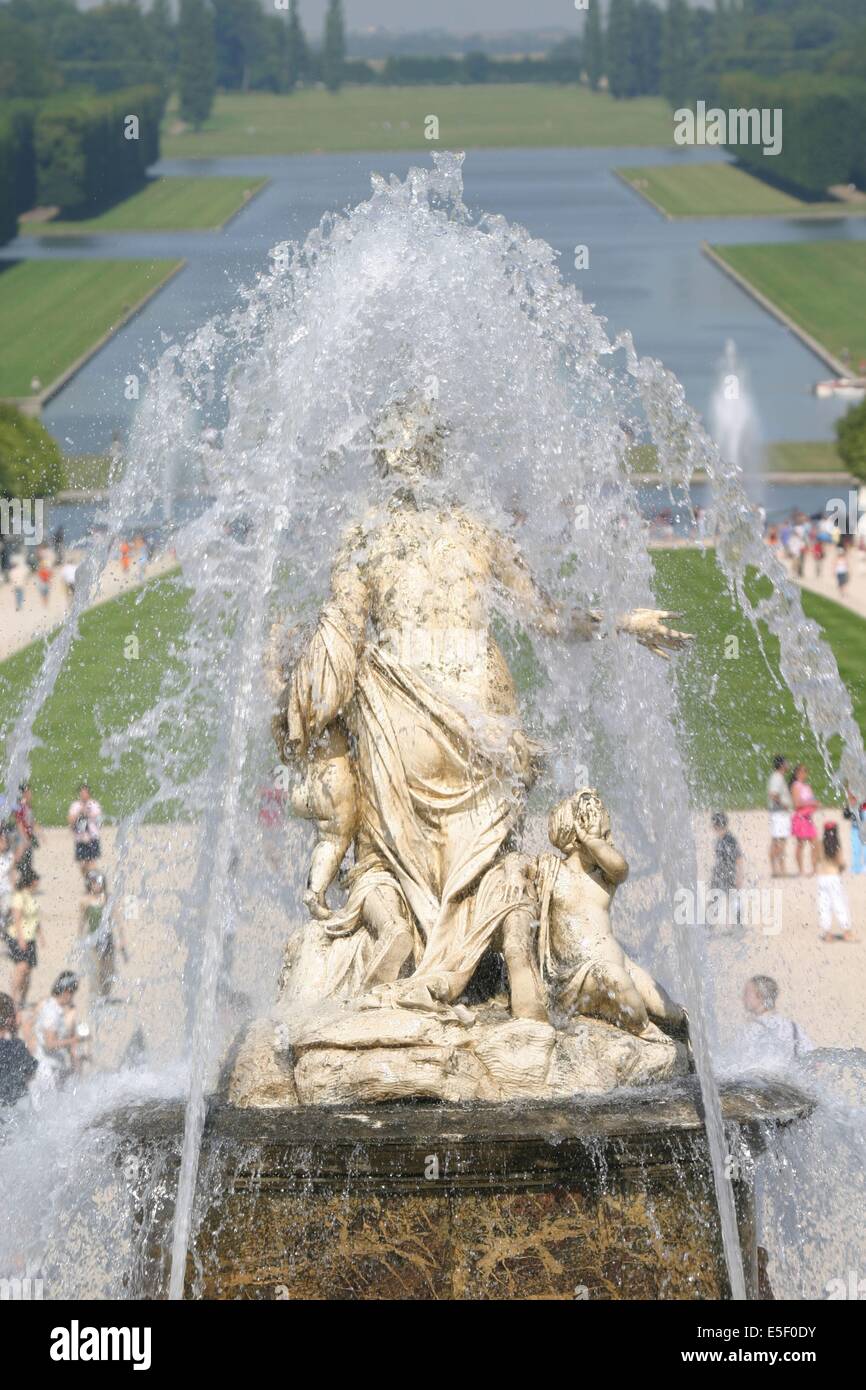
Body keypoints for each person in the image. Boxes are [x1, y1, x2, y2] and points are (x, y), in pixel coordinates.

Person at [531, 788, 685, 1036]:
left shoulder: (604, 877)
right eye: (604, 835)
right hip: (580, 976)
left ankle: (684, 1034)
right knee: (613, 977)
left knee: (667, 1008)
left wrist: (593, 841)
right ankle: (648, 1034)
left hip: (623, 963)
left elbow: (621, 868)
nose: (610, 842)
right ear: (575, 835)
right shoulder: (551, 871)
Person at [741, 976, 814, 1068]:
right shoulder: (794, 1027)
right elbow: (811, 1059)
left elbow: (742, 1065)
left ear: (759, 996)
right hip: (789, 1081)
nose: (743, 998)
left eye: (746, 994)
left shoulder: (751, 1029)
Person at [32, 972, 80, 1100]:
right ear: (65, 990)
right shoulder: (51, 1012)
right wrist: (73, 1040)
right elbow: (50, 1044)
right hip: (47, 1072)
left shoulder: (54, 1008)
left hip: (53, 1069)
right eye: (72, 991)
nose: (72, 996)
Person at [80, 870, 124, 999]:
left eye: (98, 883)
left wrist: (122, 938)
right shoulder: (86, 900)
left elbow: (117, 918)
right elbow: (82, 920)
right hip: (94, 938)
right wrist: (80, 937)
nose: (96, 886)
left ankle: (106, 994)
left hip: (107, 937)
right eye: (93, 883)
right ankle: (98, 994)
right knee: (98, 968)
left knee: (110, 967)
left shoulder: (107, 898)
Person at [5, 865, 42, 1005]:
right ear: (31, 881)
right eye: (36, 881)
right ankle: (13, 998)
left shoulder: (31, 896)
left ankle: (23, 999)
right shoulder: (19, 896)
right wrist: (20, 938)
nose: (38, 883)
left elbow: (35, 917)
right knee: (21, 967)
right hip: (17, 936)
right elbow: (17, 918)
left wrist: (41, 935)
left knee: (28, 971)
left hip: (30, 938)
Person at [814, 821, 855, 943]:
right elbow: (841, 864)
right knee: (839, 903)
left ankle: (827, 934)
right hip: (834, 877)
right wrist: (841, 868)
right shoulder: (837, 846)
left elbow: (815, 861)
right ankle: (847, 932)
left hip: (822, 877)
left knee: (824, 905)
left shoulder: (819, 844)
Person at [0, 992, 37, 1109]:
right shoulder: (17, 1046)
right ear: (10, 1020)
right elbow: (31, 1072)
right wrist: (27, 1032)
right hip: (15, 1111)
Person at [709, 812, 743, 927]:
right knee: (714, 900)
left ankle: (738, 924)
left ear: (717, 825)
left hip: (729, 874)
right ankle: (709, 925)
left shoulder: (729, 839)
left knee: (732, 899)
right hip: (719, 873)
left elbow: (738, 858)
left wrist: (739, 876)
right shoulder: (720, 839)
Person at [67, 783, 102, 878]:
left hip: (92, 838)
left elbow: (98, 820)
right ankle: (89, 880)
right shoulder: (75, 806)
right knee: (83, 865)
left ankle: (95, 883)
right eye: (82, 793)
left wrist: (88, 813)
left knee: (92, 862)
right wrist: (80, 812)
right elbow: (70, 821)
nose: (83, 795)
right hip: (80, 839)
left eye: (85, 793)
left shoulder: (94, 804)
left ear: (89, 794)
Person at [790, 764, 819, 875]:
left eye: (806, 771)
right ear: (797, 773)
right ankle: (800, 869)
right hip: (801, 818)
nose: (805, 774)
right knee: (800, 844)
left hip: (808, 818)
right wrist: (811, 803)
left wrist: (815, 804)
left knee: (814, 843)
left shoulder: (807, 786)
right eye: (803, 771)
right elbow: (796, 804)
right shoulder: (796, 786)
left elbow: (811, 800)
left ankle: (814, 868)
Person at [767, 754, 792, 878]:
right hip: (779, 814)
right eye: (787, 762)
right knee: (780, 842)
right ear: (782, 765)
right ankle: (781, 870)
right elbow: (773, 794)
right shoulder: (777, 777)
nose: (789, 764)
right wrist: (784, 805)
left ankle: (776, 870)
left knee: (776, 841)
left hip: (777, 814)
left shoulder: (777, 777)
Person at [13, 782, 39, 880]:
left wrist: (37, 833)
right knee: (20, 859)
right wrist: (24, 838)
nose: (30, 794)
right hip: (22, 838)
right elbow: (19, 823)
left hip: (27, 837)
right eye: (28, 792)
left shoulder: (28, 806)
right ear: (24, 793)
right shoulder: (21, 806)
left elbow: (31, 821)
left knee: (27, 860)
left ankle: (25, 878)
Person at [844, 790, 866, 875]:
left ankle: (862, 865)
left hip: (863, 810)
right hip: (857, 810)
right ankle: (856, 866)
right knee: (855, 839)